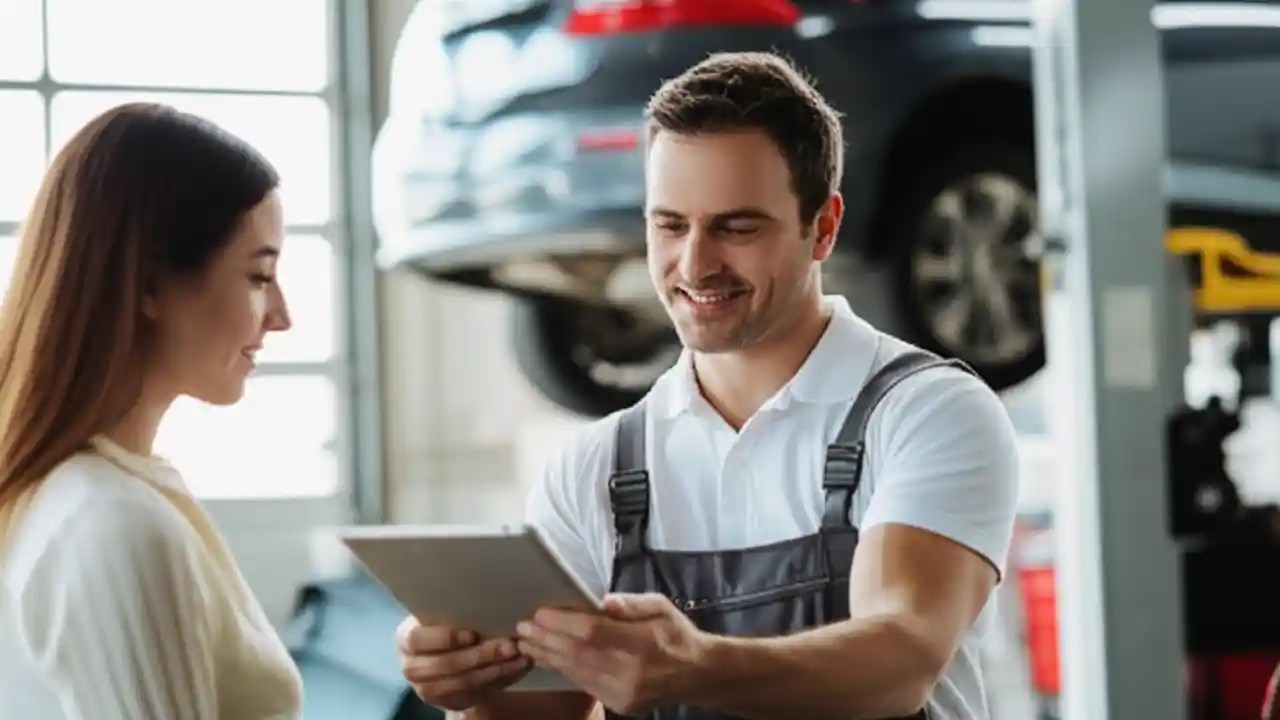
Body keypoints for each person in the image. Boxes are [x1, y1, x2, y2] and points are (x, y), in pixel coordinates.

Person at [397, 51, 1019, 719]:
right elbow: (542, 713)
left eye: (737, 227)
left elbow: (898, 659)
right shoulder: (595, 469)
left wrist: (690, 665)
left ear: (824, 227)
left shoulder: (928, 415)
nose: (695, 264)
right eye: (670, 225)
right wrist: (471, 679)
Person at [0, 103, 301, 719]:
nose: (281, 315)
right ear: (148, 283)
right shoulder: (109, 521)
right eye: (258, 275)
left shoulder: (102, 496)